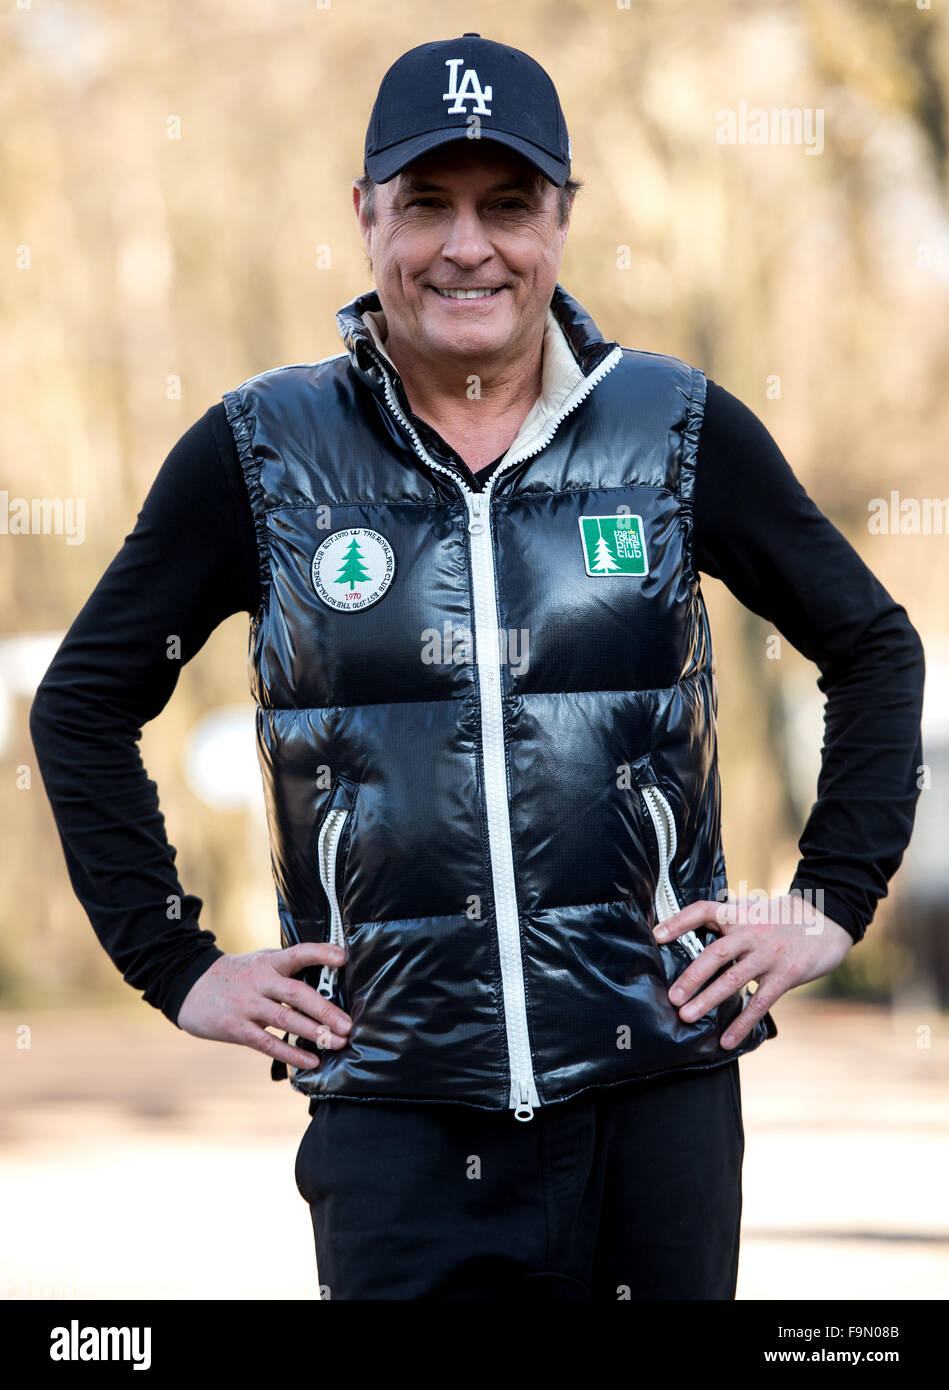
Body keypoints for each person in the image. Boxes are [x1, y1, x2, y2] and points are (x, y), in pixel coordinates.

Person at [30, 34, 925, 1301]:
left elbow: (874, 648)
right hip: (393, 1116)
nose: (467, 247)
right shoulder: (260, 452)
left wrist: (829, 898)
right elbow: (82, 705)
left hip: (653, 1101)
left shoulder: (673, 429)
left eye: (508, 205)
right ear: (364, 216)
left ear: (562, 218)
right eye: (426, 205)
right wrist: (174, 962)